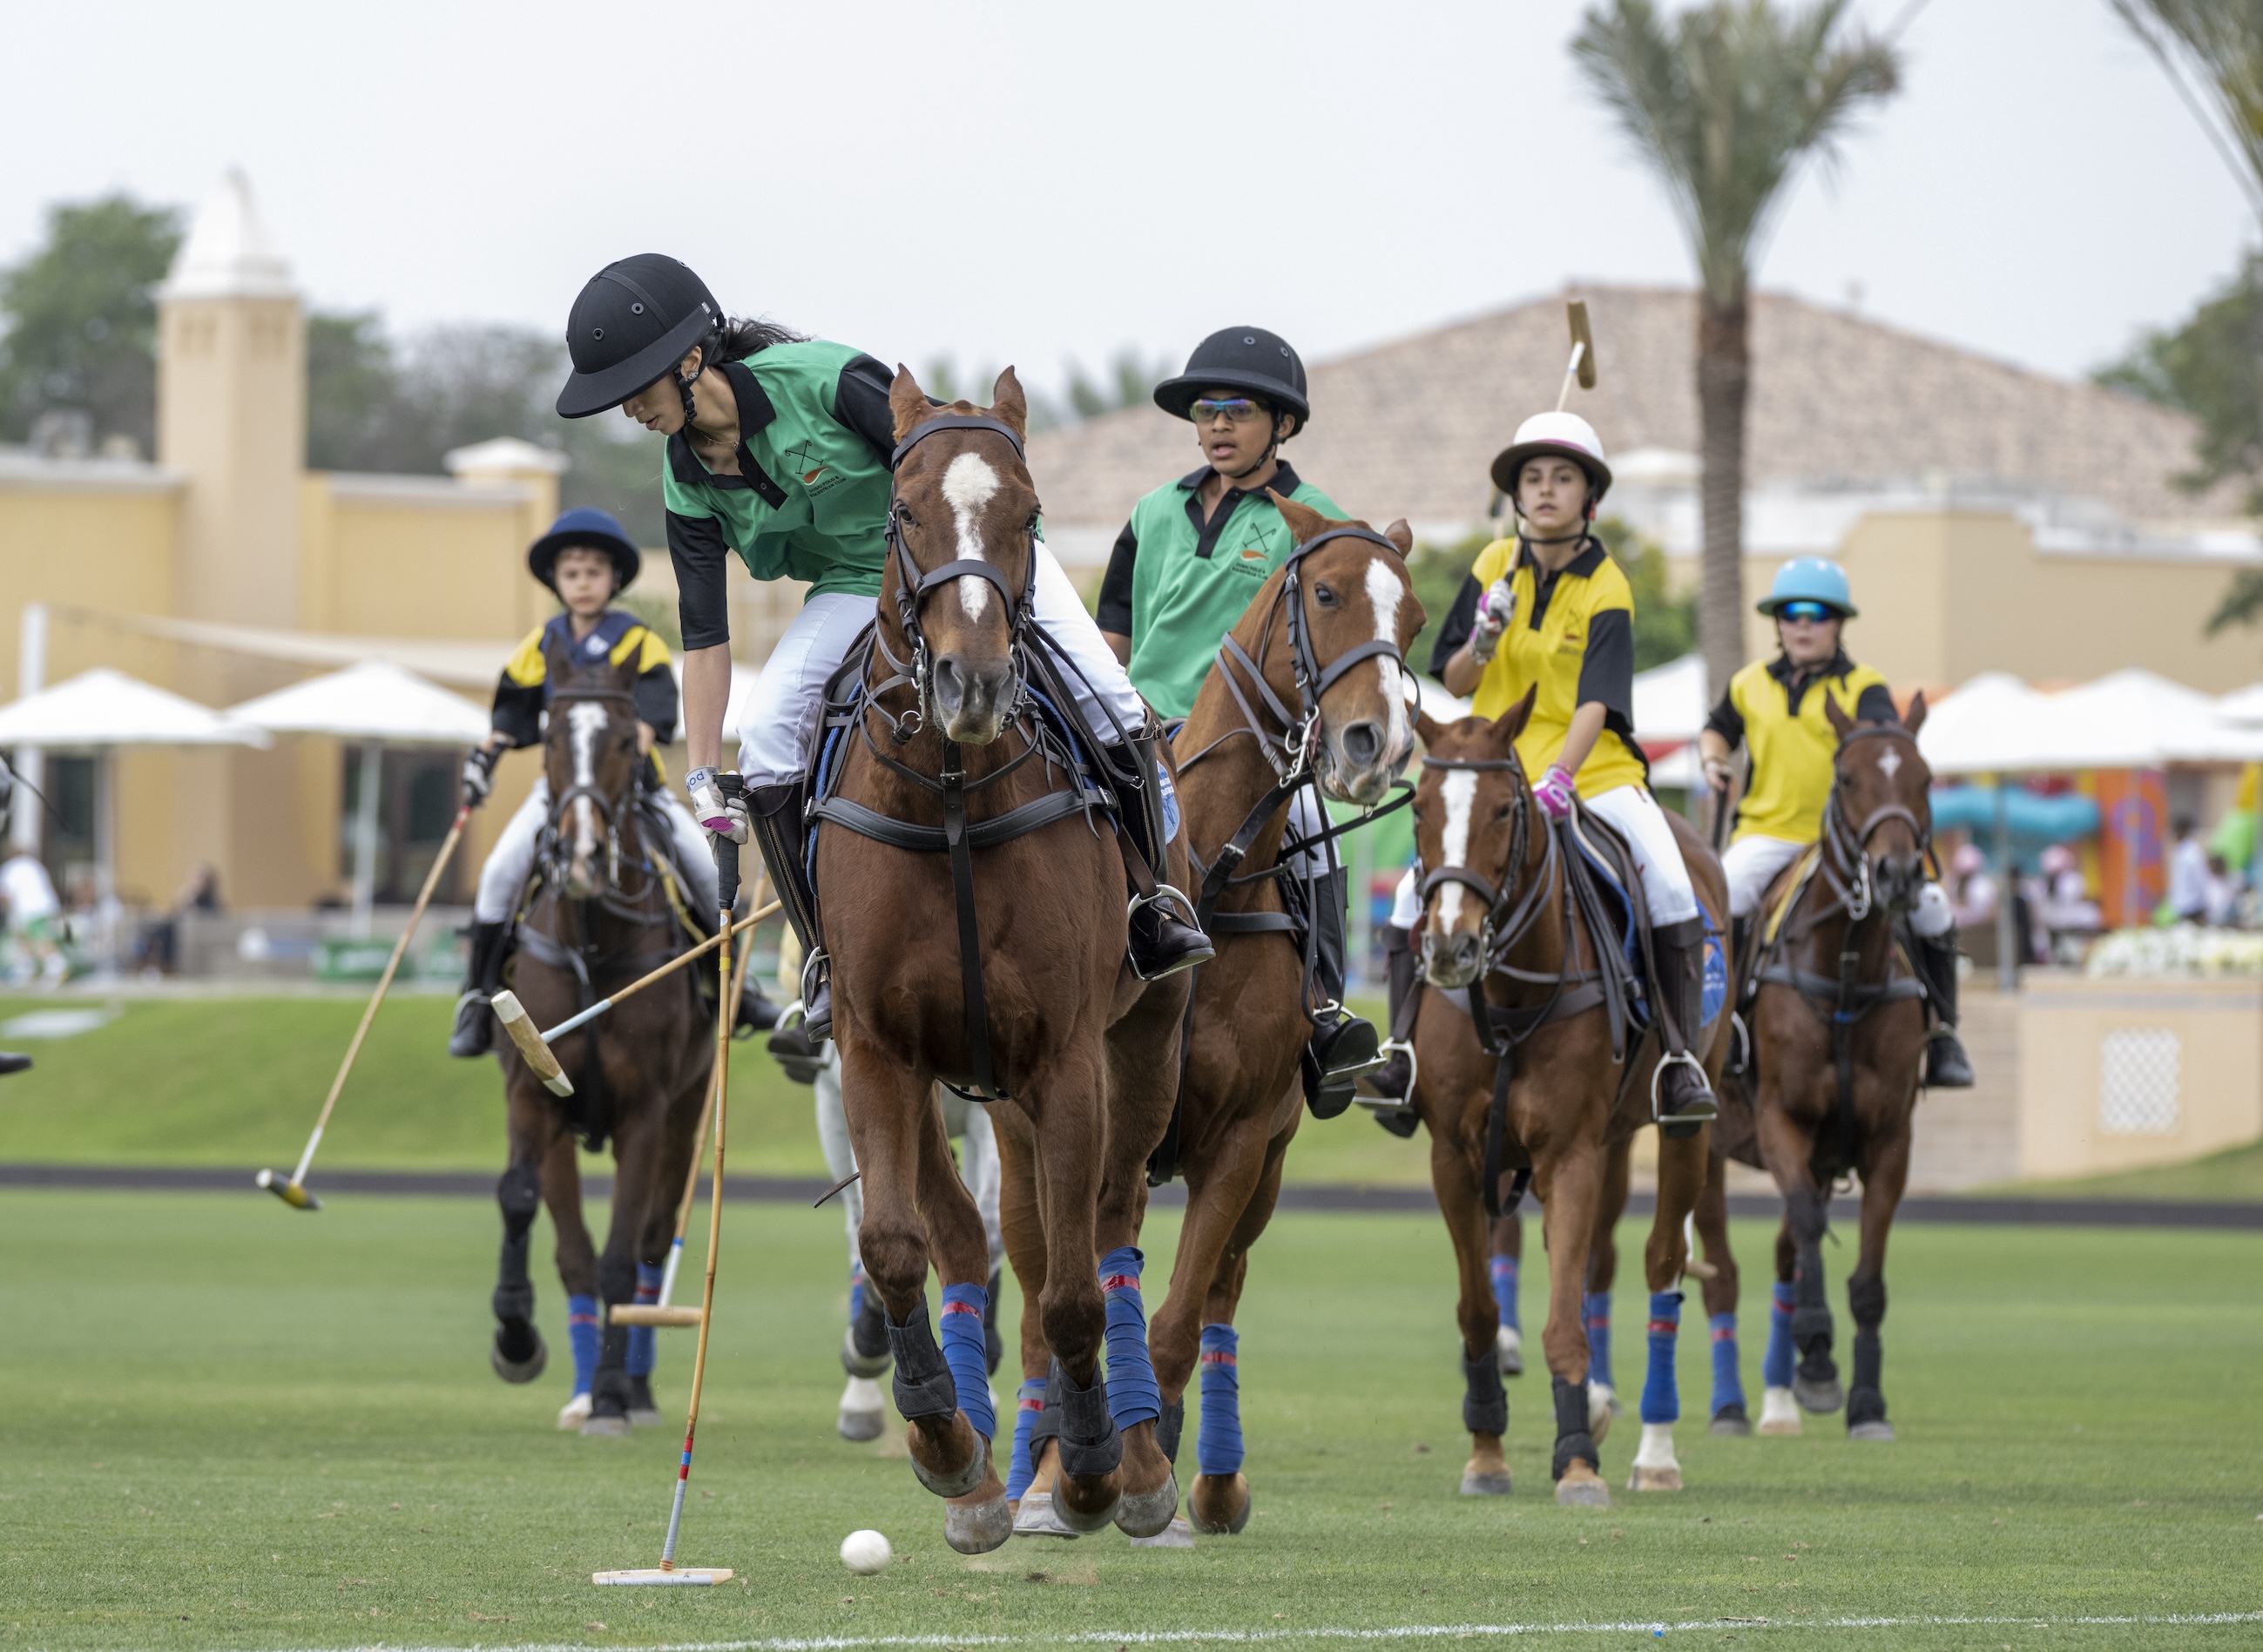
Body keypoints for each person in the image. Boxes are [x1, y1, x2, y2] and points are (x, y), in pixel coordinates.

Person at [551, 255, 1208, 1047]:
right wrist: (700, 776)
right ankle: (829, 957)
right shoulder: (684, 478)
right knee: (762, 742)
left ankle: (1154, 906)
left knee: (1112, 700)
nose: (628, 409)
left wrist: (983, 569)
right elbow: (705, 640)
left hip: (968, 560)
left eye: (638, 386)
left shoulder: (824, 381)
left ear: (692, 361)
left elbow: (942, 461)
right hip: (849, 588)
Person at [1367, 412, 1716, 1127]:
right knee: (1413, 896)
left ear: (1590, 496)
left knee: (1674, 886)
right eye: (1533, 478)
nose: (1547, 489)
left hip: (1593, 772)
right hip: (1492, 774)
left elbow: (1599, 699)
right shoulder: (1493, 567)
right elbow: (1458, 680)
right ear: (1517, 495)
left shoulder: (1606, 585)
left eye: (1563, 477)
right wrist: (1484, 639)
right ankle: (1400, 1051)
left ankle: (1679, 1059)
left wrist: (1560, 773)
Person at [1092, 326, 1380, 1113]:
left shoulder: (1316, 518)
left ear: (1282, 424)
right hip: (1143, 735)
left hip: (1254, 746)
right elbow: (1112, 630)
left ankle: (1322, 1013)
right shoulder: (1152, 510)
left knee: (1312, 843)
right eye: (1206, 409)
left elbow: (1349, 628)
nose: (1218, 424)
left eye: (1240, 409)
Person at [447, 506, 771, 1056]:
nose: (583, 583)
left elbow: (659, 705)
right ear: (556, 581)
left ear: (613, 579)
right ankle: (477, 996)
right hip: (557, 795)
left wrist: (633, 740)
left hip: (634, 793)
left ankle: (735, 984)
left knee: (701, 866)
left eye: (593, 572)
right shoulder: (542, 643)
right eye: (571, 573)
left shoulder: (636, 640)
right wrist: (487, 756)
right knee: (500, 873)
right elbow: (513, 712)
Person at [1696, 558, 1972, 1088]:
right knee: (1723, 896)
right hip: (1767, 834)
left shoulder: (1863, 685)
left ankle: (1943, 1038)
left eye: (1818, 614)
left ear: (1839, 623)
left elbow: (1883, 742)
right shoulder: (1748, 683)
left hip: (1841, 844)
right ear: (1777, 622)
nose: (1803, 624)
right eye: (1791, 613)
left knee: (1933, 909)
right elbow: (1716, 731)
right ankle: (1725, 1025)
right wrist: (1712, 761)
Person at [0, 844, 64, 987]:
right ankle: (26, 971)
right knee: (24, 939)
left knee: (40, 940)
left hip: (30, 909)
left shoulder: (11, 867)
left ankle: (56, 968)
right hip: (45, 907)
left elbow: (5, 894)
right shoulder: (34, 864)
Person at [2166, 815, 2210, 926]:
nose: (2176, 833)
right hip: (2181, 906)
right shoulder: (2179, 850)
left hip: (2193, 906)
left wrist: (2206, 902)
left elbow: (2202, 879)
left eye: (2179, 829)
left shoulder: (2193, 852)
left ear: (2186, 830)